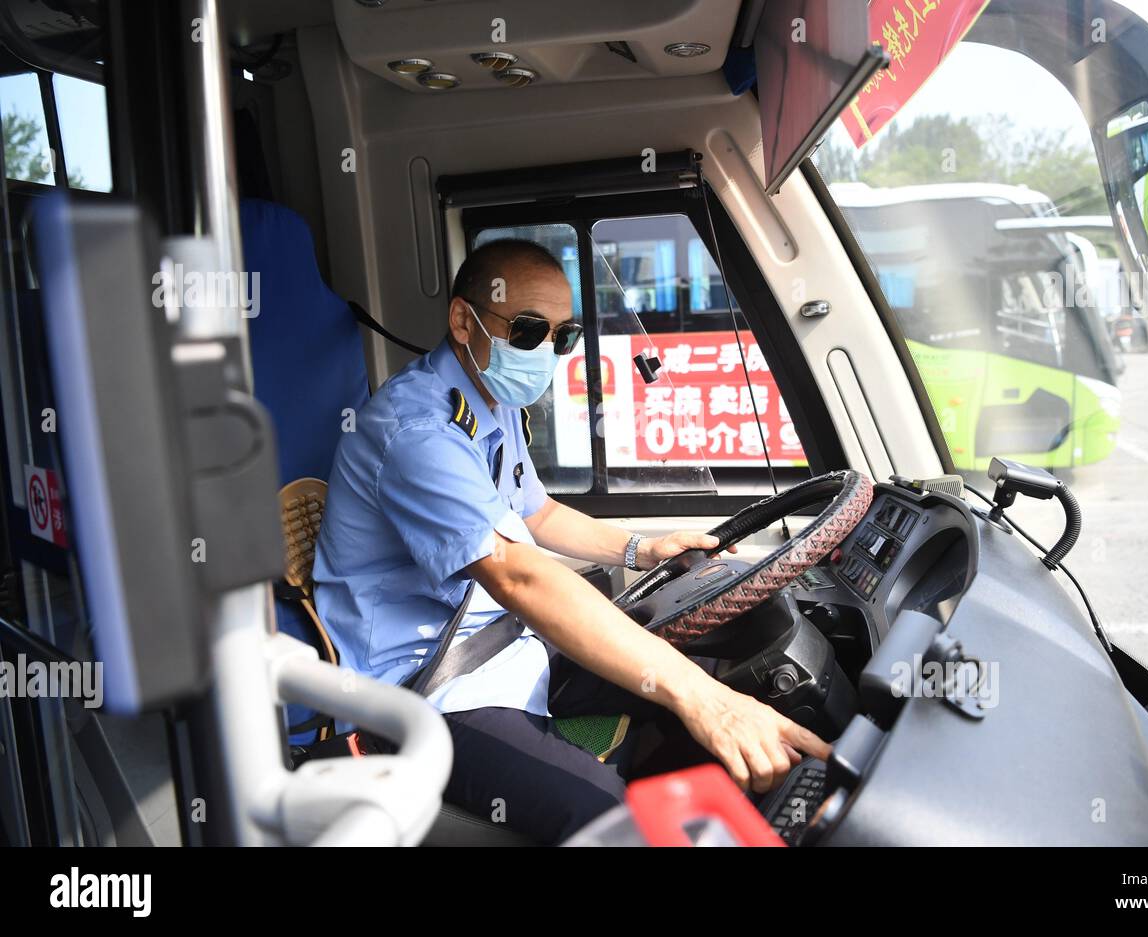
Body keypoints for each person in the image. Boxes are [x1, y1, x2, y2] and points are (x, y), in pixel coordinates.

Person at [313, 238, 829, 843]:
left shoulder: (489, 399)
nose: (548, 353)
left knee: (734, 669)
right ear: (463, 320)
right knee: (609, 816)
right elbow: (517, 574)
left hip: (511, 643)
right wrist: (702, 702)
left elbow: (540, 512)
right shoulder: (417, 433)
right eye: (529, 331)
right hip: (431, 692)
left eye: (564, 336)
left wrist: (642, 549)